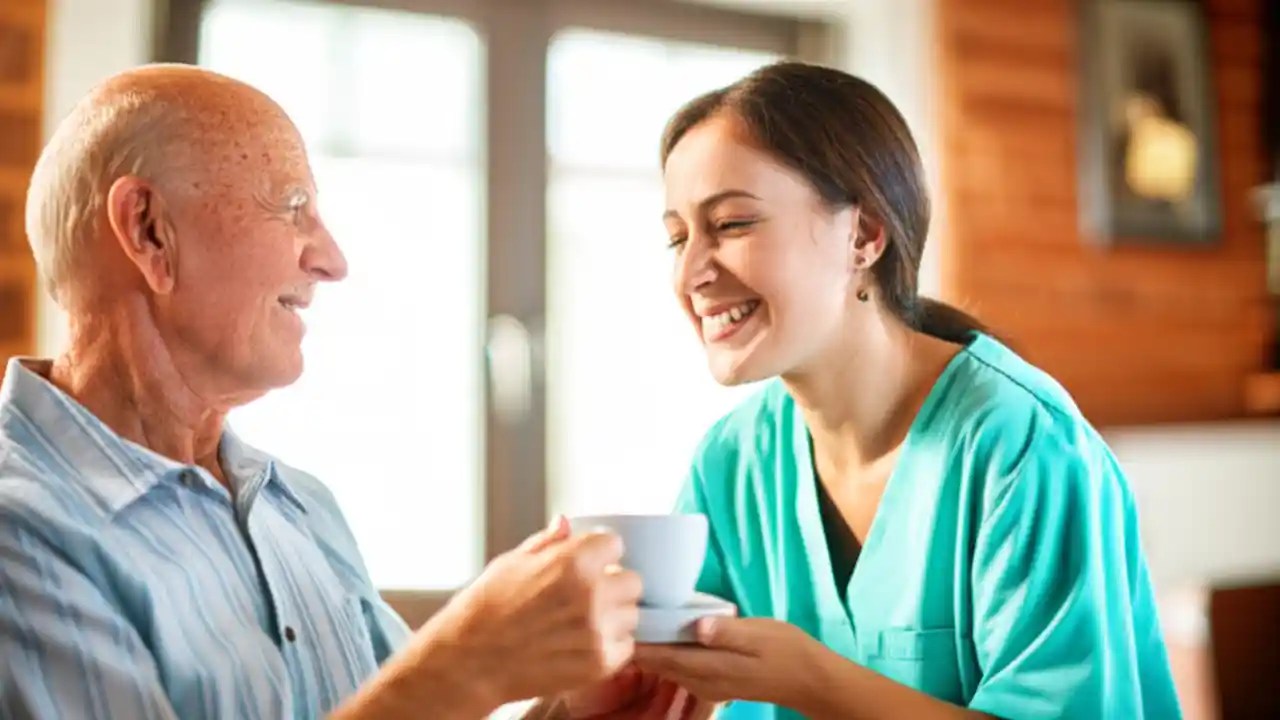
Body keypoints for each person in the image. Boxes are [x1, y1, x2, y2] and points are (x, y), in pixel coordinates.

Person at [0, 64, 708, 720]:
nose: (331, 259)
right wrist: (459, 669)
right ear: (150, 232)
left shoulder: (300, 506)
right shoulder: (21, 533)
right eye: (293, 205)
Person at [631, 62, 1184, 720]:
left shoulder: (1021, 447)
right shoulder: (730, 464)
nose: (691, 270)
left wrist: (813, 680)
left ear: (862, 235)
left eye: (731, 225)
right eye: (676, 237)